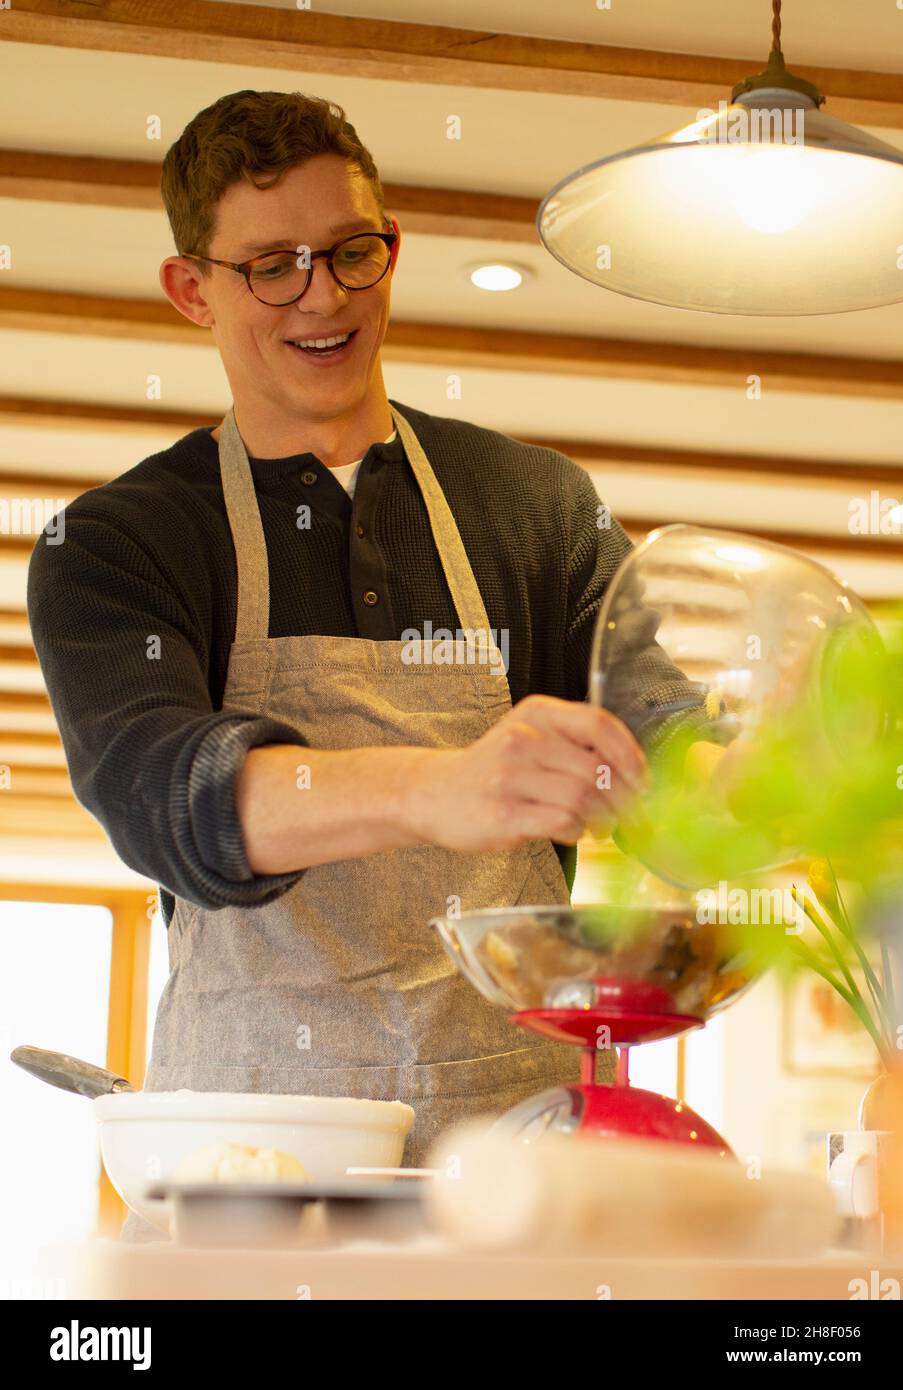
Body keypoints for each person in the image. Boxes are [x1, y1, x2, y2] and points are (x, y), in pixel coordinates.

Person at [28, 90, 702, 1240]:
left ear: (390, 246)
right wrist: (444, 785)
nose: (324, 296)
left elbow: (670, 745)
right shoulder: (115, 542)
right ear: (192, 288)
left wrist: (746, 782)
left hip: (518, 1186)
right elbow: (172, 797)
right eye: (272, 266)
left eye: (350, 252)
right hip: (254, 1179)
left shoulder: (535, 507)